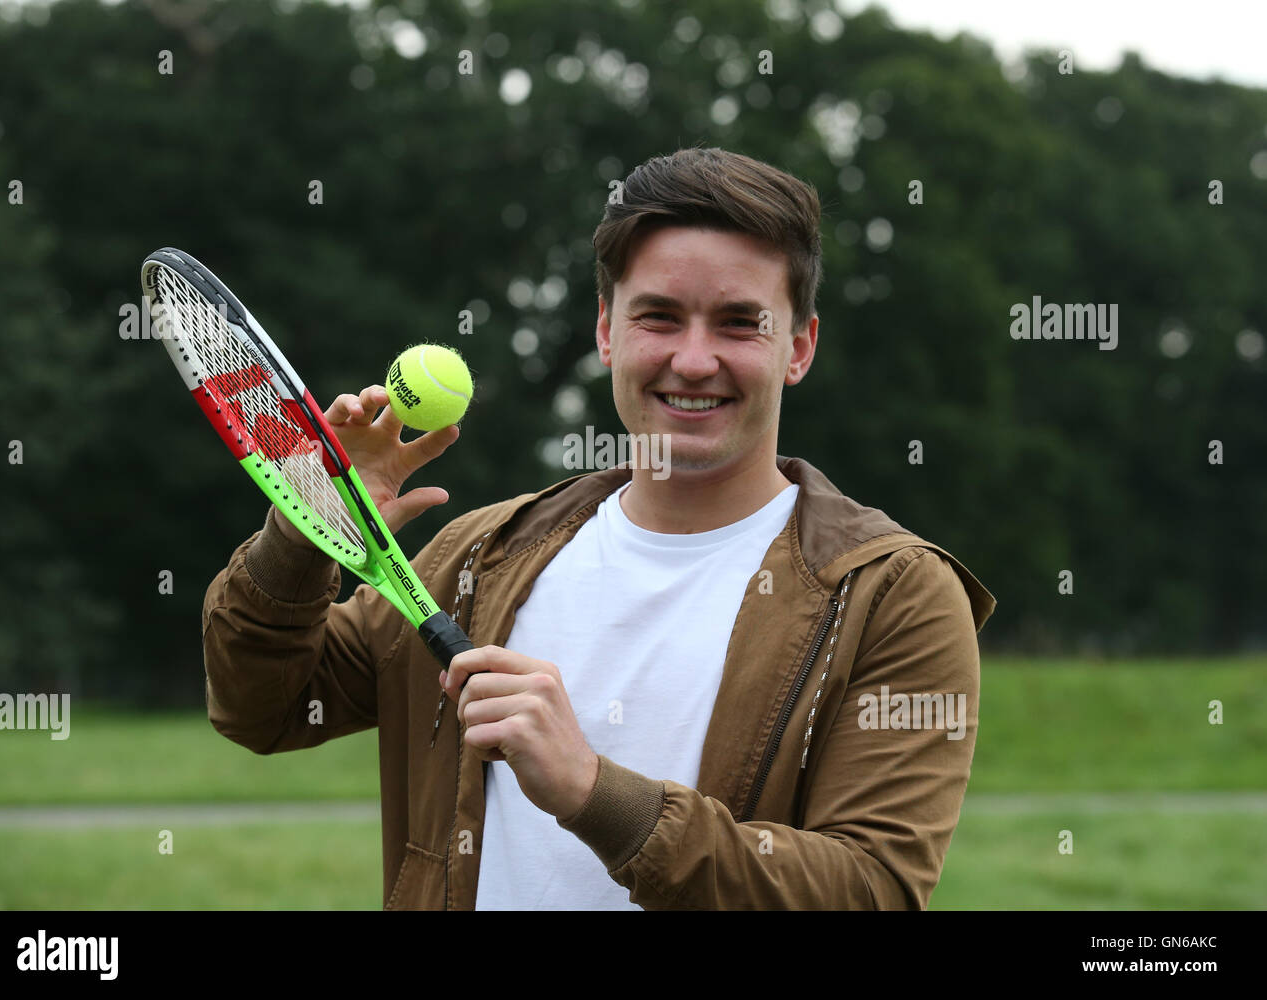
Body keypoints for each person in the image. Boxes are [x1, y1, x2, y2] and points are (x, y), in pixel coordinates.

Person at [202, 147, 995, 910]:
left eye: (737, 324)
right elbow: (262, 708)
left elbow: (871, 892)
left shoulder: (894, 595)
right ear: (607, 332)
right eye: (659, 316)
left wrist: (592, 791)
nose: (692, 359)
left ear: (799, 348)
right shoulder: (480, 555)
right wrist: (301, 536)